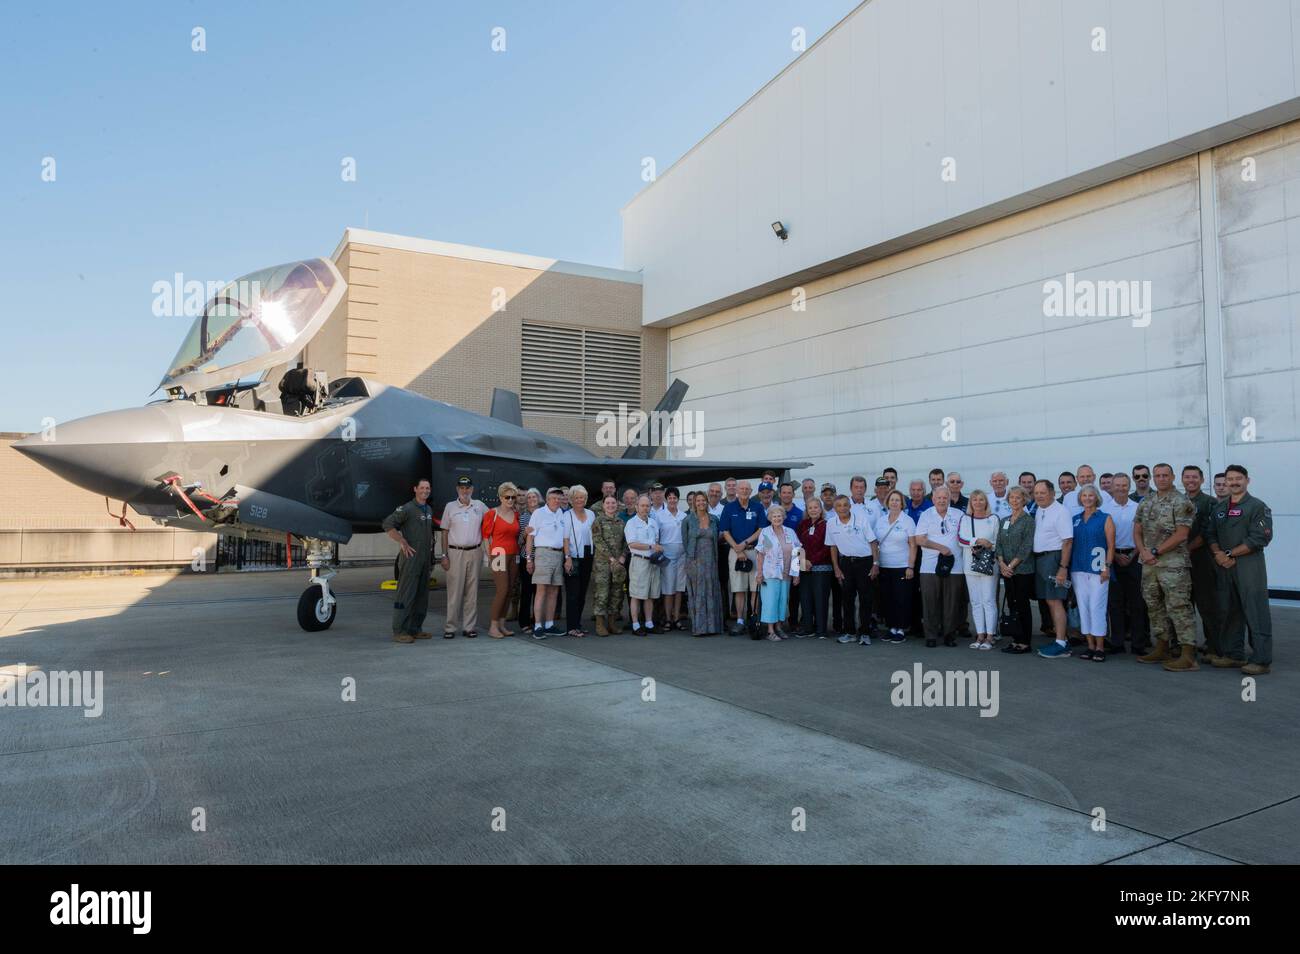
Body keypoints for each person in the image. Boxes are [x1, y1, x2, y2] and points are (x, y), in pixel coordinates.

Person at [1206, 465, 1273, 675]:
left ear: (1247, 480)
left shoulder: (1257, 506)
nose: (1234, 482)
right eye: (1230, 479)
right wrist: (1218, 553)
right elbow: (1210, 534)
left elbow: (1260, 538)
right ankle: (1233, 654)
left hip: (1248, 566)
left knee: (1255, 610)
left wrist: (1229, 554)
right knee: (1229, 610)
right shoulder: (1219, 508)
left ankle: (1261, 660)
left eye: (1238, 478)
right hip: (1224, 566)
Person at [1132, 463, 1198, 671]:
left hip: (1173, 565)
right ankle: (1162, 647)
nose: (1161, 478)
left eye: (1165, 475)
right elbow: (1137, 529)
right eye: (1157, 475)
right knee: (1154, 606)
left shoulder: (1181, 501)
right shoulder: (1147, 501)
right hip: (1149, 564)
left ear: (1172, 477)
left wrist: (1154, 552)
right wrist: (1143, 551)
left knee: (1178, 607)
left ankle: (1187, 655)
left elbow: (1182, 534)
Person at [382, 477, 436, 644]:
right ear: (415, 489)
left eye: (428, 488)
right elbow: (387, 524)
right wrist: (401, 540)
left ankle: (415, 628)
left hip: (425, 559)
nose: (425, 491)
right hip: (411, 558)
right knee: (406, 594)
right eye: (422, 488)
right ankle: (399, 630)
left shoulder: (428, 509)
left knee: (421, 596)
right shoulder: (407, 508)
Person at [438, 476, 489, 639]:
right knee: (454, 591)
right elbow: (444, 531)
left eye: (467, 488)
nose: (465, 491)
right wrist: (444, 555)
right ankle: (450, 627)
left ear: (472, 489)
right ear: (457, 489)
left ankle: (469, 627)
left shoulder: (479, 506)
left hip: (475, 552)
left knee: (472, 592)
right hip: (455, 553)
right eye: (462, 488)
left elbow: (493, 519)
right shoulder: (450, 507)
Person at [1103, 473, 1148, 654]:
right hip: (1113, 560)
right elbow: (1103, 538)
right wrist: (1114, 556)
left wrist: (1133, 554)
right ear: (1111, 488)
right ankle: (1117, 642)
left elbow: (1143, 534)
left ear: (1129, 487)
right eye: (1117, 485)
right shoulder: (1105, 510)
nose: (1121, 489)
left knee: (1138, 603)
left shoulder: (1139, 508)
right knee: (1115, 603)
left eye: (1124, 485)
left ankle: (1139, 644)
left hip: (1135, 558)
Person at [1070, 485, 1115, 661]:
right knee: (1083, 607)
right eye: (1084, 495)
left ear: (1096, 498)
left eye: (1090, 495)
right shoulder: (1075, 519)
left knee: (1097, 607)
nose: (1087, 498)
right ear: (1080, 498)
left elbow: (1111, 545)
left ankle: (1100, 647)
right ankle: (1089, 646)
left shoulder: (1105, 518)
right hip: (1078, 568)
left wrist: (1107, 566)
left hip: (1098, 570)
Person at [915, 487, 965, 648]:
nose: (942, 500)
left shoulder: (958, 515)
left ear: (949, 499)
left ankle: (949, 635)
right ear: (933, 499)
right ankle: (931, 635)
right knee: (930, 602)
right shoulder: (926, 515)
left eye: (945, 497)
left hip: (955, 566)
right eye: (939, 498)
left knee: (951, 603)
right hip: (929, 566)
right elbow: (920, 540)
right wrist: (940, 548)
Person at [1182, 464, 1222, 660]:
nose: (1191, 480)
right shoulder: (1177, 501)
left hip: (1202, 561)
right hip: (1180, 563)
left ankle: (1214, 646)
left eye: (1194, 477)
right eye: (1187, 477)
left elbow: (1207, 532)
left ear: (1202, 480)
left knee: (1207, 606)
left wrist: (1185, 549)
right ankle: (1186, 645)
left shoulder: (1210, 503)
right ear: (1181, 480)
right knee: (1183, 605)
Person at [827, 493, 879, 645]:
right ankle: (849, 632)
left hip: (865, 562)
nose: (842, 508)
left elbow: (873, 542)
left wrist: (875, 564)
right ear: (835, 508)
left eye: (845, 505)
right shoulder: (831, 523)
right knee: (847, 599)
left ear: (850, 506)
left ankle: (864, 633)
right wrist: (836, 568)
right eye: (838, 506)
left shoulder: (862, 520)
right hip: (846, 564)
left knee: (865, 599)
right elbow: (833, 547)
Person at [1032, 479, 1075, 658]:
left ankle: (1061, 644)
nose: (1039, 496)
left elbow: (1067, 541)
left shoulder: (1061, 511)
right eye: (1036, 493)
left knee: (1056, 601)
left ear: (1052, 493)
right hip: (1041, 560)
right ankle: (1060, 638)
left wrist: (1063, 568)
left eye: (1042, 493)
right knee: (1049, 601)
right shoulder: (1040, 510)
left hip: (1054, 559)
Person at [720, 480, 765, 634]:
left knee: (755, 589)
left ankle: (754, 619)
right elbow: (725, 531)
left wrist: (745, 543)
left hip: (754, 551)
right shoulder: (729, 507)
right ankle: (739, 620)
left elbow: (761, 529)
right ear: (737, 490)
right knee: (738, 588)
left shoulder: (757, 507)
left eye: (747, 489)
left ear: (751, 491)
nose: (744, 491)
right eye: (742, 488)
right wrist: (737, 549)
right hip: (735, 552)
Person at [957, 489, 1000, 649]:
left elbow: (998, 541)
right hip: (970, 565)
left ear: (986, 502)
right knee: (975, 602)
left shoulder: (994, 519)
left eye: (981, 499)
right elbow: (960, 539)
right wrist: (978, 540)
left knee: (988, 601)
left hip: (989, 565)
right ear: (971, 503)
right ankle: (980, 634)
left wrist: (990, 544)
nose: (978, 502)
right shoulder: (965, 519)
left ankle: (990, 636)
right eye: (974, 499)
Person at [996, 487, 1036, 654]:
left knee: (1022, 605)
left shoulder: (1028, 520)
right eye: (1011, 497)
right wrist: (1001, 564)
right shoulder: (1004, 520)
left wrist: (1010, 566)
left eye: (1018, 497)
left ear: (1024, 499)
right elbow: (998, 544)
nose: (1014, 500)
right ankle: (1015, 639)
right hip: (1006, 569)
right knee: (1012, 604)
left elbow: (1026, 547)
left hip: (1022, 570)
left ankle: (1025, 642)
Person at [524, 487, 568, 639]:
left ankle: (549, 624)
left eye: (559, 499)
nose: (557, 501)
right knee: (541, 590)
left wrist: (566, 556)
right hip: (543, 553)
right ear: (548, 499)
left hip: (558, 554)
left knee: (554, 591)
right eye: (554, 498)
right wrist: (529, 559)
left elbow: (564, 538)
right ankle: (538, 625)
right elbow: (530, 537)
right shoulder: (539, 513)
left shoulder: (561, 514)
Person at [875, 490, 917, 642]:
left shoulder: (907, 521)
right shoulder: (881, 520)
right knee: (887, 598)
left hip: (902, 566)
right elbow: (876, 543)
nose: (894, 502)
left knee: (901, 598)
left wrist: (910, 567)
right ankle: (891, 627)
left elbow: (913, 545)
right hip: (884, 566)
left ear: (902, 503)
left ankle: (900, 629)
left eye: (897, 500)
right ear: (887, 502)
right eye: (892, 500)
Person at [481, 481, 520, 639]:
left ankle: (502, 624)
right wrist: (489, 556)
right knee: (502, 589)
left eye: (513, 497)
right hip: (498, 553)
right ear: (500, 497)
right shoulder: (492, 513)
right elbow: (485, 537)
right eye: (507, 497)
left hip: (514, 555)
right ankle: (493, 626)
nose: (510, 500)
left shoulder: (515, 513)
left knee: (510, 590)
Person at [756, 503, 801, 641]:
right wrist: (759, 573)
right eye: (774, 516)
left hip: (786, 574)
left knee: (782, 601)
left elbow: (798, 552)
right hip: (770, 573)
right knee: (770, 602)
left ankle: (779, 627)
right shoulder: (766, 532)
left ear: (784, 517)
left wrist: (796, 573)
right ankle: (770, 630)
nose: (777, 518)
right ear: (770, 518)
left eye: (779, 516)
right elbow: (761, 554)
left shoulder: (790, 532)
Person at [682, 491, 724, 636]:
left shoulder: (714, 519)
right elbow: (685, 542)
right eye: (698, 501)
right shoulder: (688, 520)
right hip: (695, 560)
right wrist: (690, 561)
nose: (701, 503)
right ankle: (699, 628)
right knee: (698, 593)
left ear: (707, 502)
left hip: (711, 561)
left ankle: (712, 627)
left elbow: (718, 538)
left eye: (703, 500)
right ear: (694, 503)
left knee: (711, 591)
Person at [624, 495, 663, 634]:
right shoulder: (631, 523)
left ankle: (649, 623)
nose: (645, 508)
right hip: (639, 561)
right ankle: (635, 625)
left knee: (650, 595)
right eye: (642, 505)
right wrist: (652, 547)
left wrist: (657, 548)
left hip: (653, 562)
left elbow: (656, 541)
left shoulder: (653, 522)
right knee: (636, 594)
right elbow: (632, 544)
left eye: (647, 506)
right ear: (636, 506)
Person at [591, 495, 629, 637]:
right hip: (603, 564)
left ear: (617, 505)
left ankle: (612, 623)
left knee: (616, 593)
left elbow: (627, 541)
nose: (611, 505)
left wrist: (623, 556)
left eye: (613, 503)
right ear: (603, 505)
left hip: (618, 564)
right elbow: (598, 541)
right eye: (608, 503)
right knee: (602, 593)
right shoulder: (598, 521)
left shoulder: (621, 522)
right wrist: (611, 558)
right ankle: (600, 624)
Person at [795, 498, 834, 638]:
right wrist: (803, 560)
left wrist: (813, 560)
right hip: (805, 566)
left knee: (820, 599)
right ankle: (808, 628)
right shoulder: (803, 525)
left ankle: (821, 630)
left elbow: (828, 546)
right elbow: (797, 544)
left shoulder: (826, 525)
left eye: (816, 507)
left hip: (822, 567)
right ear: (807, 510)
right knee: (805, 598)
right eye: (810, 508)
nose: (813, 510)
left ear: (820, 509)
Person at [562, 485, 596, 637]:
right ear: (571, 499)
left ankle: (578, 624)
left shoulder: (591, 514)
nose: (579, 500)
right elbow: (565, 539)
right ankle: (571, 627)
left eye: (582, 497)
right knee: (572, 593)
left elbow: (594, 535)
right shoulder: (567, 515)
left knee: (582, 593)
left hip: (588, 555)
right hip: (573, 556)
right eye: (576, 497)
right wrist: (567, 557)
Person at [655, 487, 687, 630]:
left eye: (675, 498)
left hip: (682, 555)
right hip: (667, 555)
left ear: (678, 499)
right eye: (670, 498)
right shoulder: (659, 515)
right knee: (668, 588)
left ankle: (677, 618)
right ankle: (668, 619)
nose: (672, 500)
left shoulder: (683, 515)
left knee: (679, 588)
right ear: (666, 499)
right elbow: (656, 536)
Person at [516, 488, 542, 630]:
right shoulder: (524, 517)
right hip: (527, 558)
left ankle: (536, 619)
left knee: (539, 591)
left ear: (539, 499)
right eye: (529, 497)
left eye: (534, 497)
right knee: (526, 591)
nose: (532, 499)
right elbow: (519, 541)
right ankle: (524, 622)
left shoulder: (544, 514)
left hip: (542, 557)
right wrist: (526, 534)